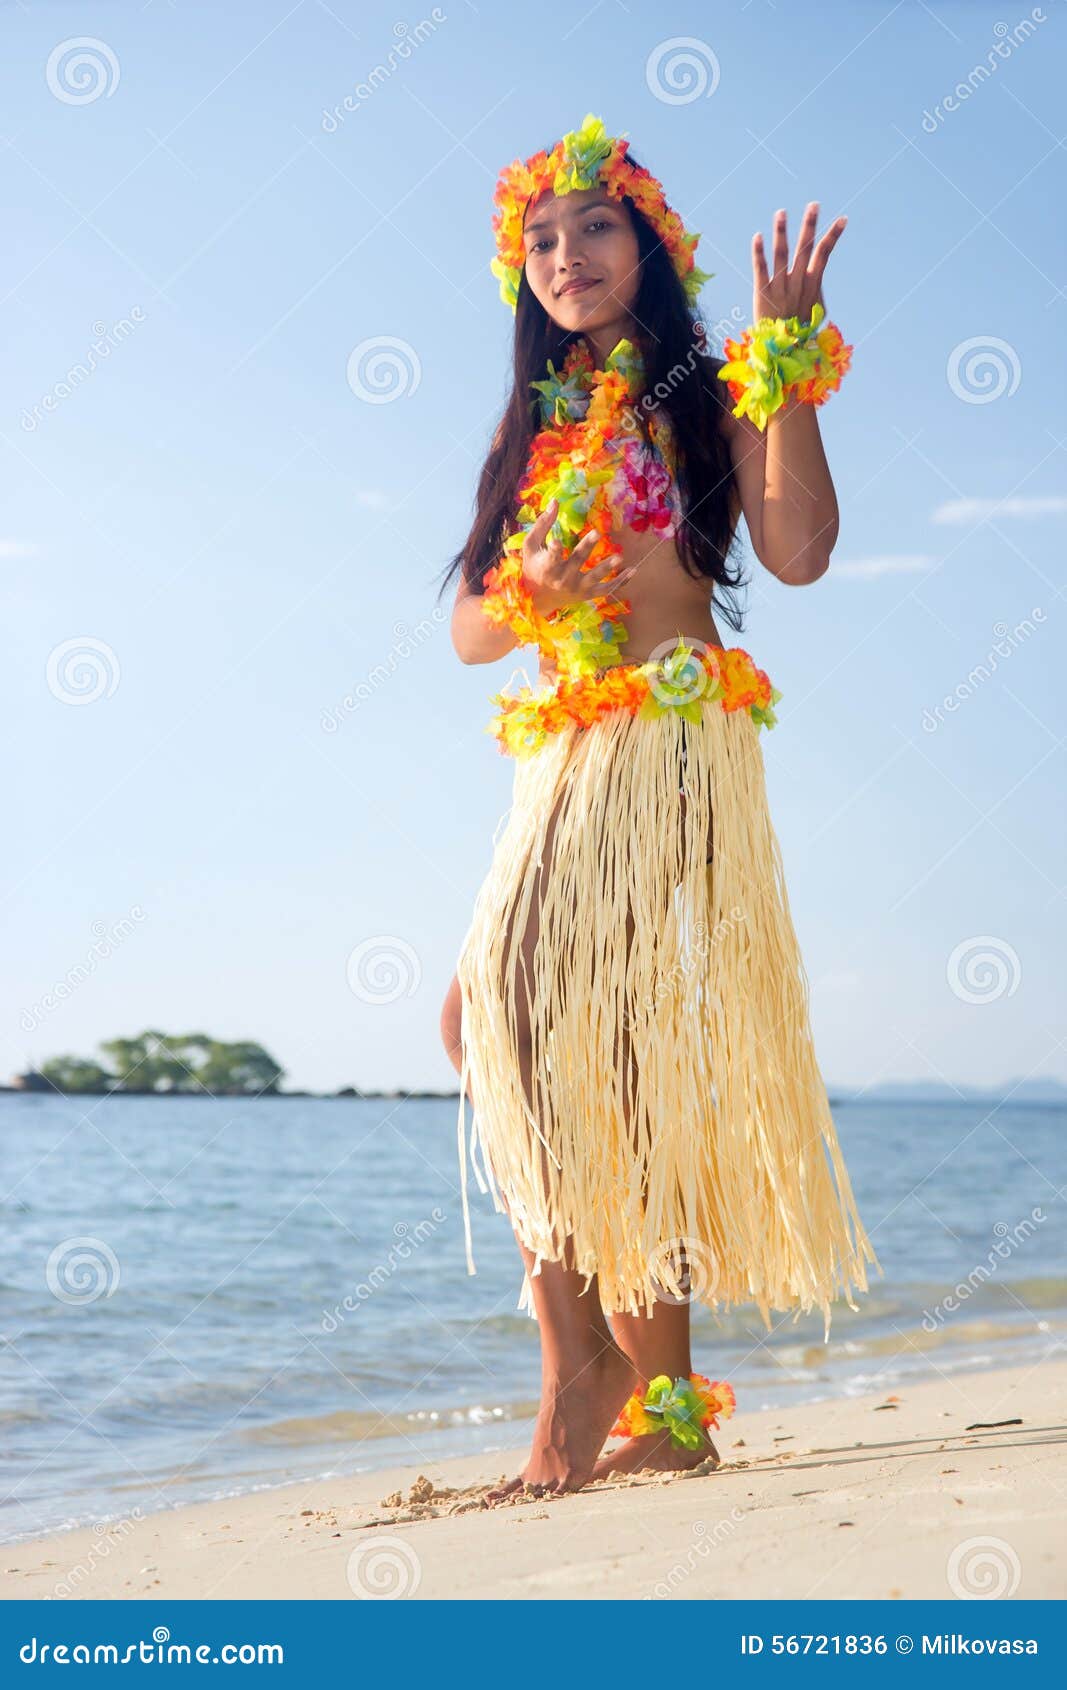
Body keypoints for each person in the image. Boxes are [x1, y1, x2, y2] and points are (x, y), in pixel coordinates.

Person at [436, 114, 880, 1502]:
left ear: (654, 247)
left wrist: (790, 367)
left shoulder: (705, 386)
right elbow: (466, 623)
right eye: (542, 239)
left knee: (498, 1009)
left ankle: (583, 1367)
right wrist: (535, 600)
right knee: (603, 1060)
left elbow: (798, 554)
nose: (566, 254)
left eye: (596, 227)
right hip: (564, 751)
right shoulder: (533, 424)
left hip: (672, 734)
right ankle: (668, 1402)